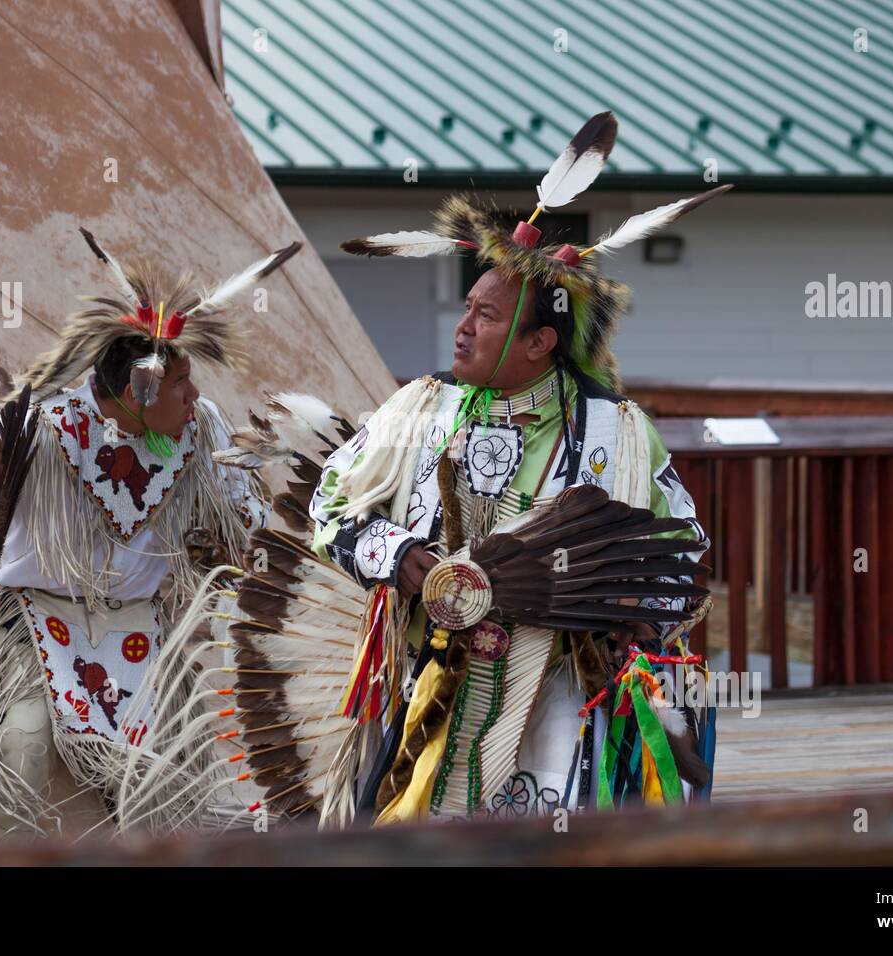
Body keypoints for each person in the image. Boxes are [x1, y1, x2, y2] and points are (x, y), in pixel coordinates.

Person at [158, 113, 730, 828]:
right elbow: (332, 505)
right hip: (433, 672)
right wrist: (400, 557)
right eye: (466, 307)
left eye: (486, 316)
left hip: (559, 685)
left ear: (539, 342)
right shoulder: (420, 412)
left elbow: (684, 550)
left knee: (553, 828)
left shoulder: (617, 432)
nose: (463, 326)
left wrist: (631, 614)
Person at [0, 229, 297, 844]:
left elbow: (242, 507)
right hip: (36, 622)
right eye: (179, 385)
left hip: (140, 629)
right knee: (24, 753)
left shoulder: (201, 428)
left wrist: (230, 546)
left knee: (155, 794)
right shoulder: (43, 427)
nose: (194, 395)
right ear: (137, 390)